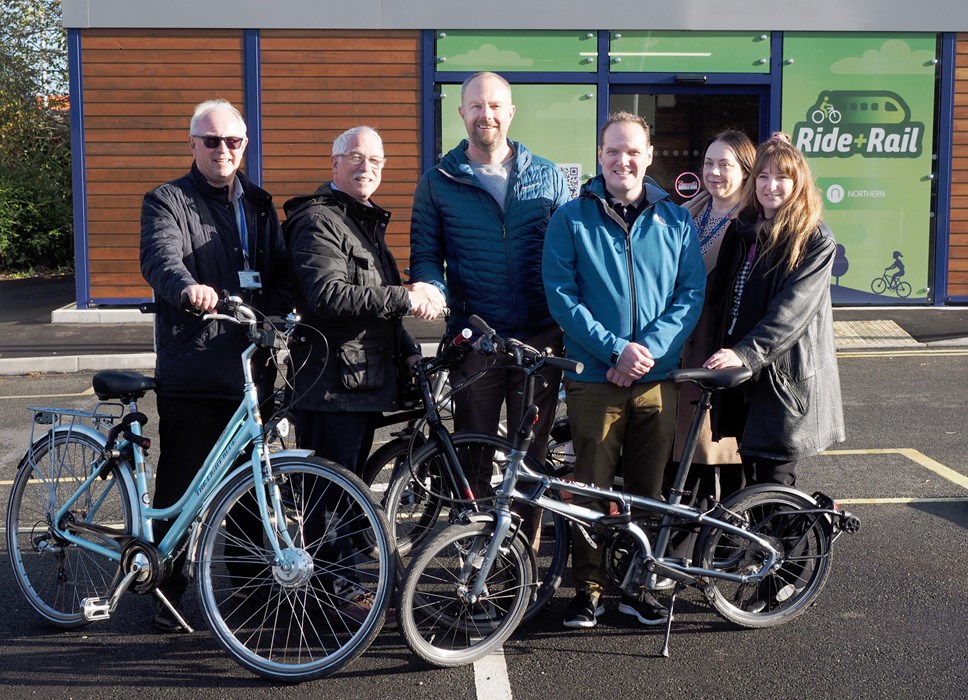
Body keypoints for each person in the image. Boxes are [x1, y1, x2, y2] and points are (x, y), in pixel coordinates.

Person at [542, 111, 705, 629]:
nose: (623, 160)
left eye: (633, 150)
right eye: (613, 150)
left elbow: (689, 295)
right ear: (600, 156)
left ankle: (637, 587)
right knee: (591, 489)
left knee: (647, 491)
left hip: (656, 378)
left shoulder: (675, 220)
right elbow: (562, 298)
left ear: (649, 156)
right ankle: (588, 591)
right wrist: (615, 352)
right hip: (595, 378)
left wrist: (646, 353)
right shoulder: (571, 218)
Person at [140, 99, 291, 632]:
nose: (223, 149)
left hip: (250, 369)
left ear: (245, 145)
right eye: (211, 141)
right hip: (195, 366)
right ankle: (166, 590)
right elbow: (161, 259)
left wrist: (274, 319)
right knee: (183, 483)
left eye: (233, 141)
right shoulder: (168, 200)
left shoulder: (259, 202)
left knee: (253, 486)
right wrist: (188, 289)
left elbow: (277, 271)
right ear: (193, 145)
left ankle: (251, 592)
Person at [282, 126, 443, 620]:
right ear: (333, 164)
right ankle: (332, 597)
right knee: (328, 496)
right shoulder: (317, 221)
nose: (365, 166)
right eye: (354, 157)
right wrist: (407, 296)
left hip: (358, 382)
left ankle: (341, 581)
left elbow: (380, 313)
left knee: (345, 488)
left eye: (375, 158)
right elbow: (328, 295)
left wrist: (410, 352)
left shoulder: (362, 222)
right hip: (328, 385)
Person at [409, 71, 571, 493]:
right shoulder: (437, 183)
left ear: (511, 112)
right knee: (473, 457)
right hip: (476, 340)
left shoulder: (549, 177)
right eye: (477, 106)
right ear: (462, 113)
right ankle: (473, 551)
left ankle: (526, 557)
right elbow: (426, 257)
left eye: (495, 106)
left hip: (540, 338)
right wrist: (432, 289)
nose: (487, 115)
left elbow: (571, 257)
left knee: (530, 462)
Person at [702, 133, 845, 488]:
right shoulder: (745, 230)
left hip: (780, 380)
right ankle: (752, 544)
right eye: (763, 176)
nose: (771, 186)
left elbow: (790, 313)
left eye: (782, 177)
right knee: (748, 482)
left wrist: (744, 354)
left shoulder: (814, 239)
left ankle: (798, 542)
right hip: (744, 377)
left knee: (774, 483)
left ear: (799, 184)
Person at [671, 130, 756, 504]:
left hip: (717, 347)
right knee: (680, 456)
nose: (714, 172)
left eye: (725, 164)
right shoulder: (688, 213)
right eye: (708, 163)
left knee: (714, 456)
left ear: (746, 170)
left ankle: (721, 546)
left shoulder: (753, 223)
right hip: (678, 346)